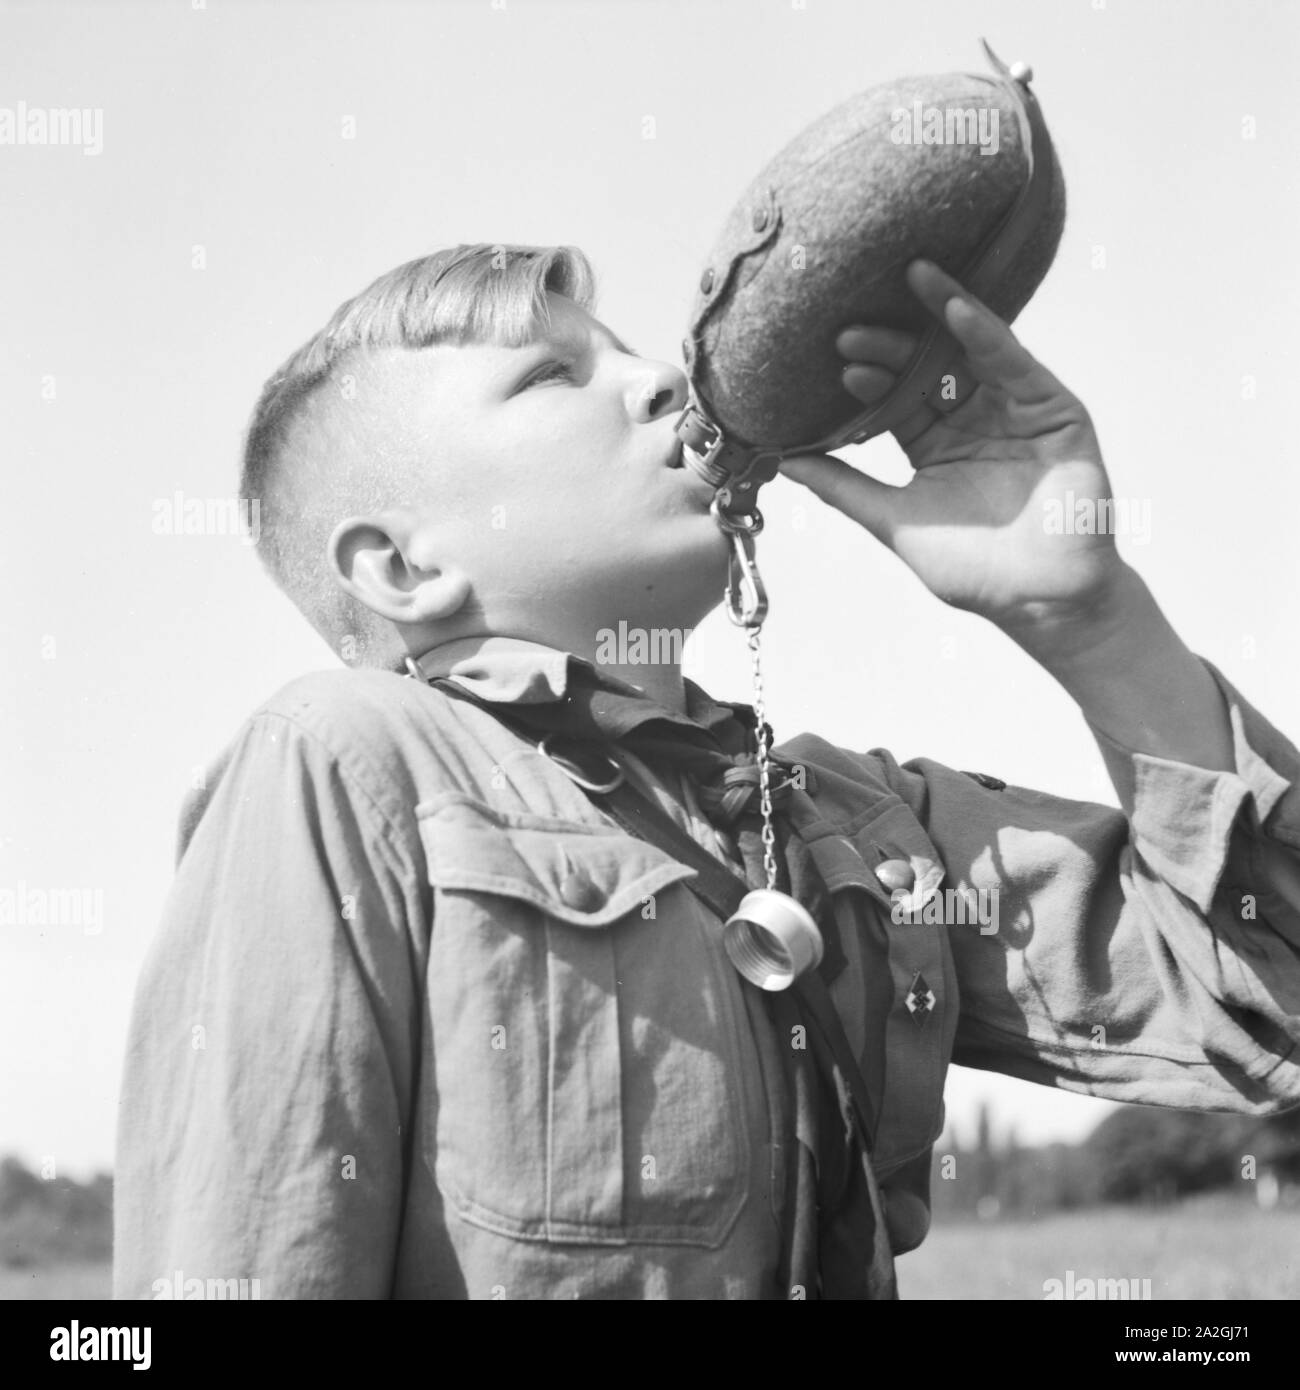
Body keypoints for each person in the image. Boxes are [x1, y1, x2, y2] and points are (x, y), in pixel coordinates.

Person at [113, 242, 1300, 1300]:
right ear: (401, 566)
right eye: (550, 375)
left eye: (631, 350)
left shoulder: (866, 822)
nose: (666, 380)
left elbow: (1269, 993)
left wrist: (1089, 618)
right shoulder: (346, 765)